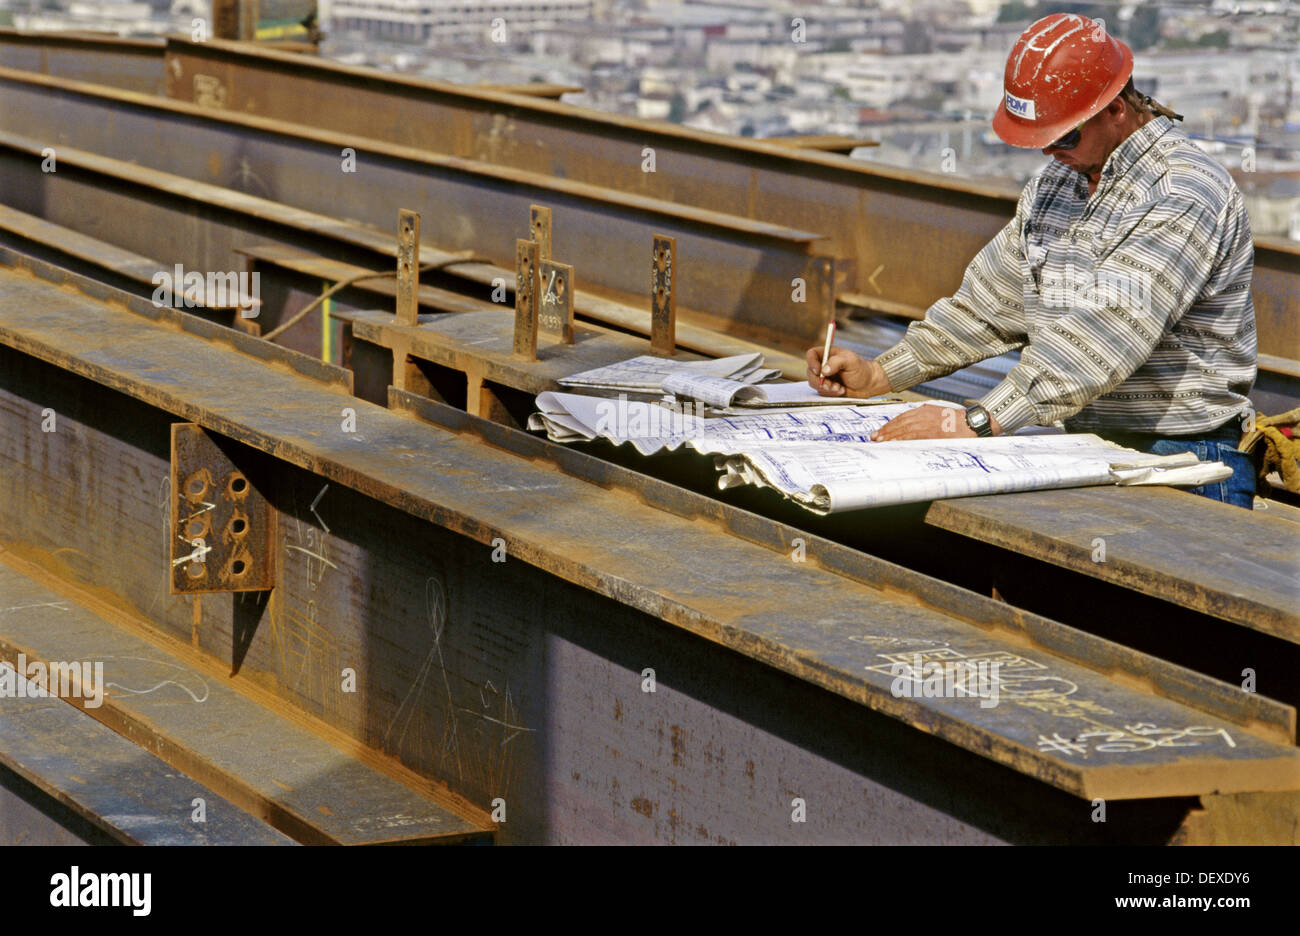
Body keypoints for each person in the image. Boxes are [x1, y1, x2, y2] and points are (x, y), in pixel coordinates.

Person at [807, 13, 1258, 509]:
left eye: (1064, 136)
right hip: (1082, 443)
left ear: (1115, 108)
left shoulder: (1182, 191)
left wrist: (979, 420)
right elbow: (985, 308)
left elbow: (1105, 331)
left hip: (1185, 458)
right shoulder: (1056, 185)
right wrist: (882, 374)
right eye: (1042, 139)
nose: (1050, 151)